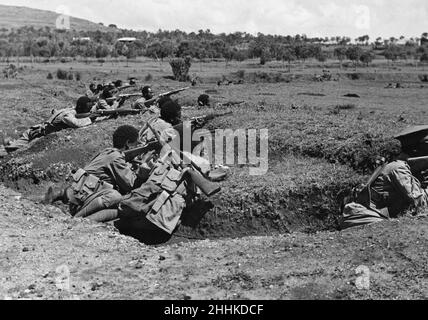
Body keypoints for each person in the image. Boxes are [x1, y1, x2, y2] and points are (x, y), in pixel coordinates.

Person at [43, 125, 154, 222]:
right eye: (136, 144)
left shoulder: (108, 152)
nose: (136, 147)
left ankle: (61, 196)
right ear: (128, 143)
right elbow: (130, 184)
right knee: (114, 196)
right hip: (80, 198)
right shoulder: (116, 158)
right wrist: (143, 170)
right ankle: (78, 218)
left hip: (77, 191)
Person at [341, 125, 428, 230]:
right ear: (417, 149)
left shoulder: (392, 164)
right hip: (363, 217)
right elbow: (418, 202)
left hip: (361, 215)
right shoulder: (398, 167)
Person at [2, 97, 96, 154]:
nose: (89, 110)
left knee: (12, 149)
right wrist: (90, 118)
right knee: (9, 151)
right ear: (80, 107)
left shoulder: (70, 110)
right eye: (87, 108)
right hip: (35, 133)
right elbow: (76, 123)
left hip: (37, 131)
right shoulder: (68, 115)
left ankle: (8, 142)